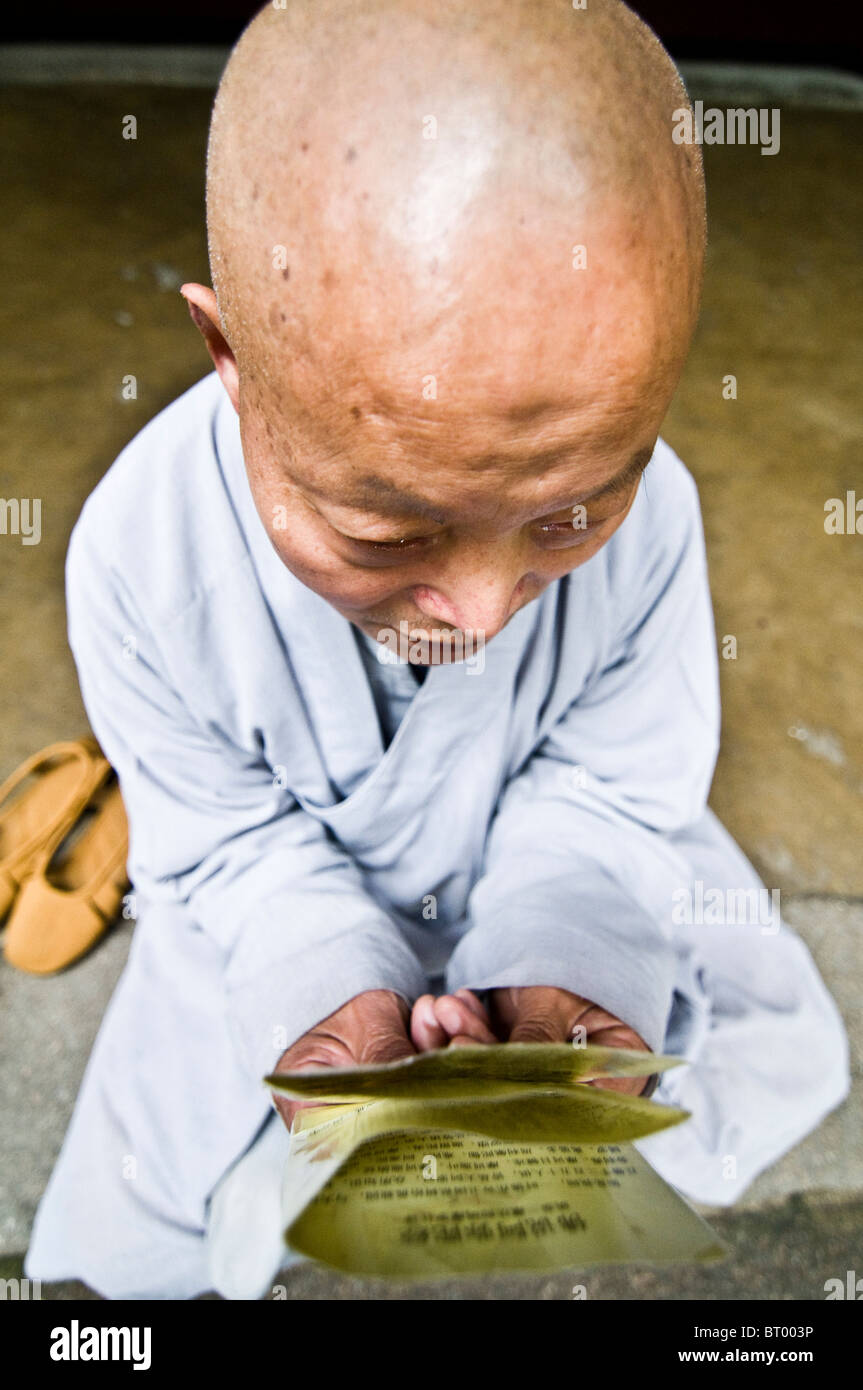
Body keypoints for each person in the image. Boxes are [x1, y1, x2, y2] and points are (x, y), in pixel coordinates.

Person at [26, 0, 849, 1300]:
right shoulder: (142, 556)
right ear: (231, 353)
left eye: (572, 508)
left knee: (744, 1043)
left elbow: (613, 782)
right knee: (164, 1196)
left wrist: (564, 963)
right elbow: (228, 842)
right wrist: (328, 1001)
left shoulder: (663, 518)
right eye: (383, 525)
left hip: (555, 867)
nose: (477, 613)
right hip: (282, 898)